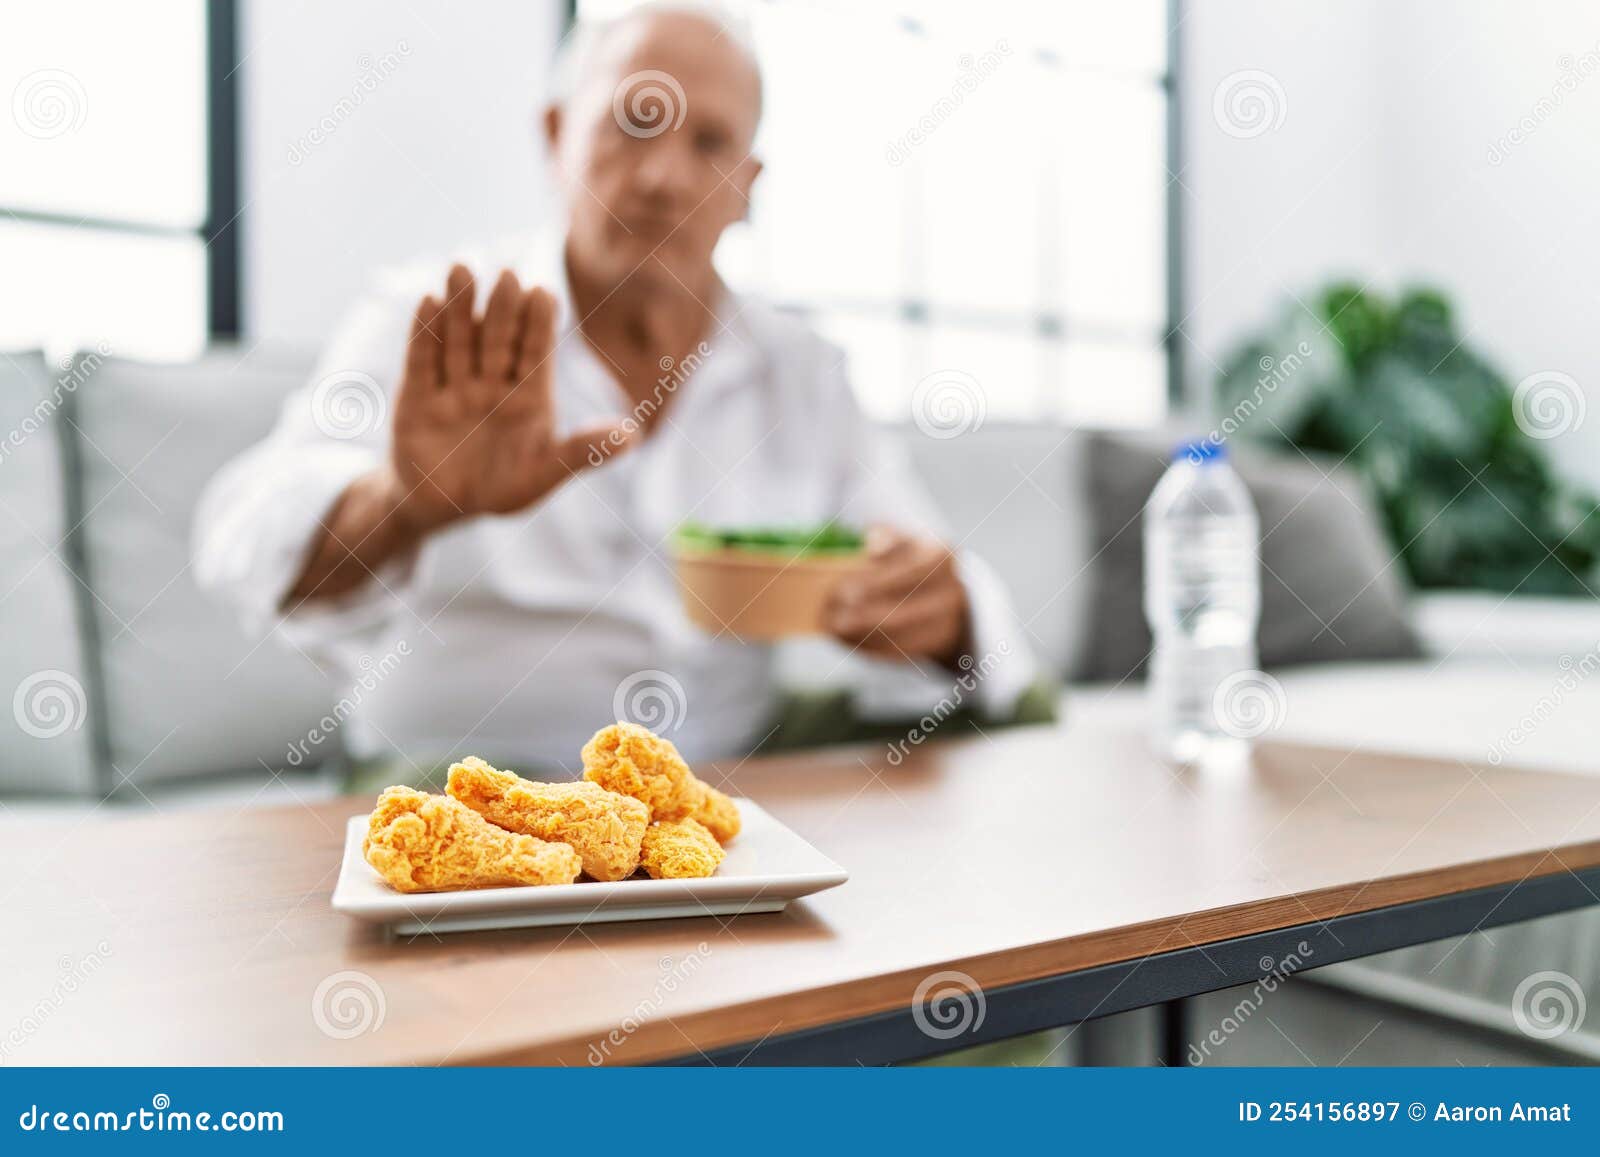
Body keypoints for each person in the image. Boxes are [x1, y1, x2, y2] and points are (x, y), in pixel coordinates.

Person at [193, 3, 1043, 778]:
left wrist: (949, 616)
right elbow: (238, 544)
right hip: (478, 768)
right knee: (429, 808)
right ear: (556, 136)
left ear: (745, 190)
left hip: (725, 758)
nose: (663, 179)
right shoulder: (437, 318)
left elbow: (927, 565)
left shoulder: (803, 370)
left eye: (708, 143)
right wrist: (403, 503)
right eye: (635, 123)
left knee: (1018, 709)